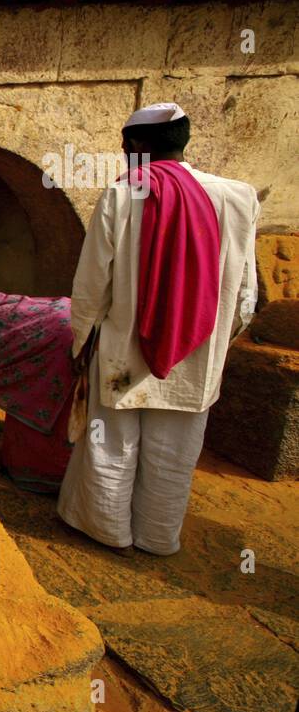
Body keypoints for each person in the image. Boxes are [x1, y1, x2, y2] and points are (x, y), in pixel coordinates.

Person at [58, 102, 259, 555]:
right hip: (199, 349)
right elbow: (246, 291)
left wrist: (80, 338)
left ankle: (109, 530)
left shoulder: (122, 195)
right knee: (175, 454)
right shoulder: (238, 196)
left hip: (124, 347)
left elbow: (91, 283)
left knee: (112, 441)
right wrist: (221, 339)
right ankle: (157, 536)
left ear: (136, 145)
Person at [0, 290, 77, 493]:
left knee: (28, 399)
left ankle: (33, 474)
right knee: (65, 406)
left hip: (58, 346)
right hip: (80, 331)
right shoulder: (23, 305)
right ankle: (65, 477)